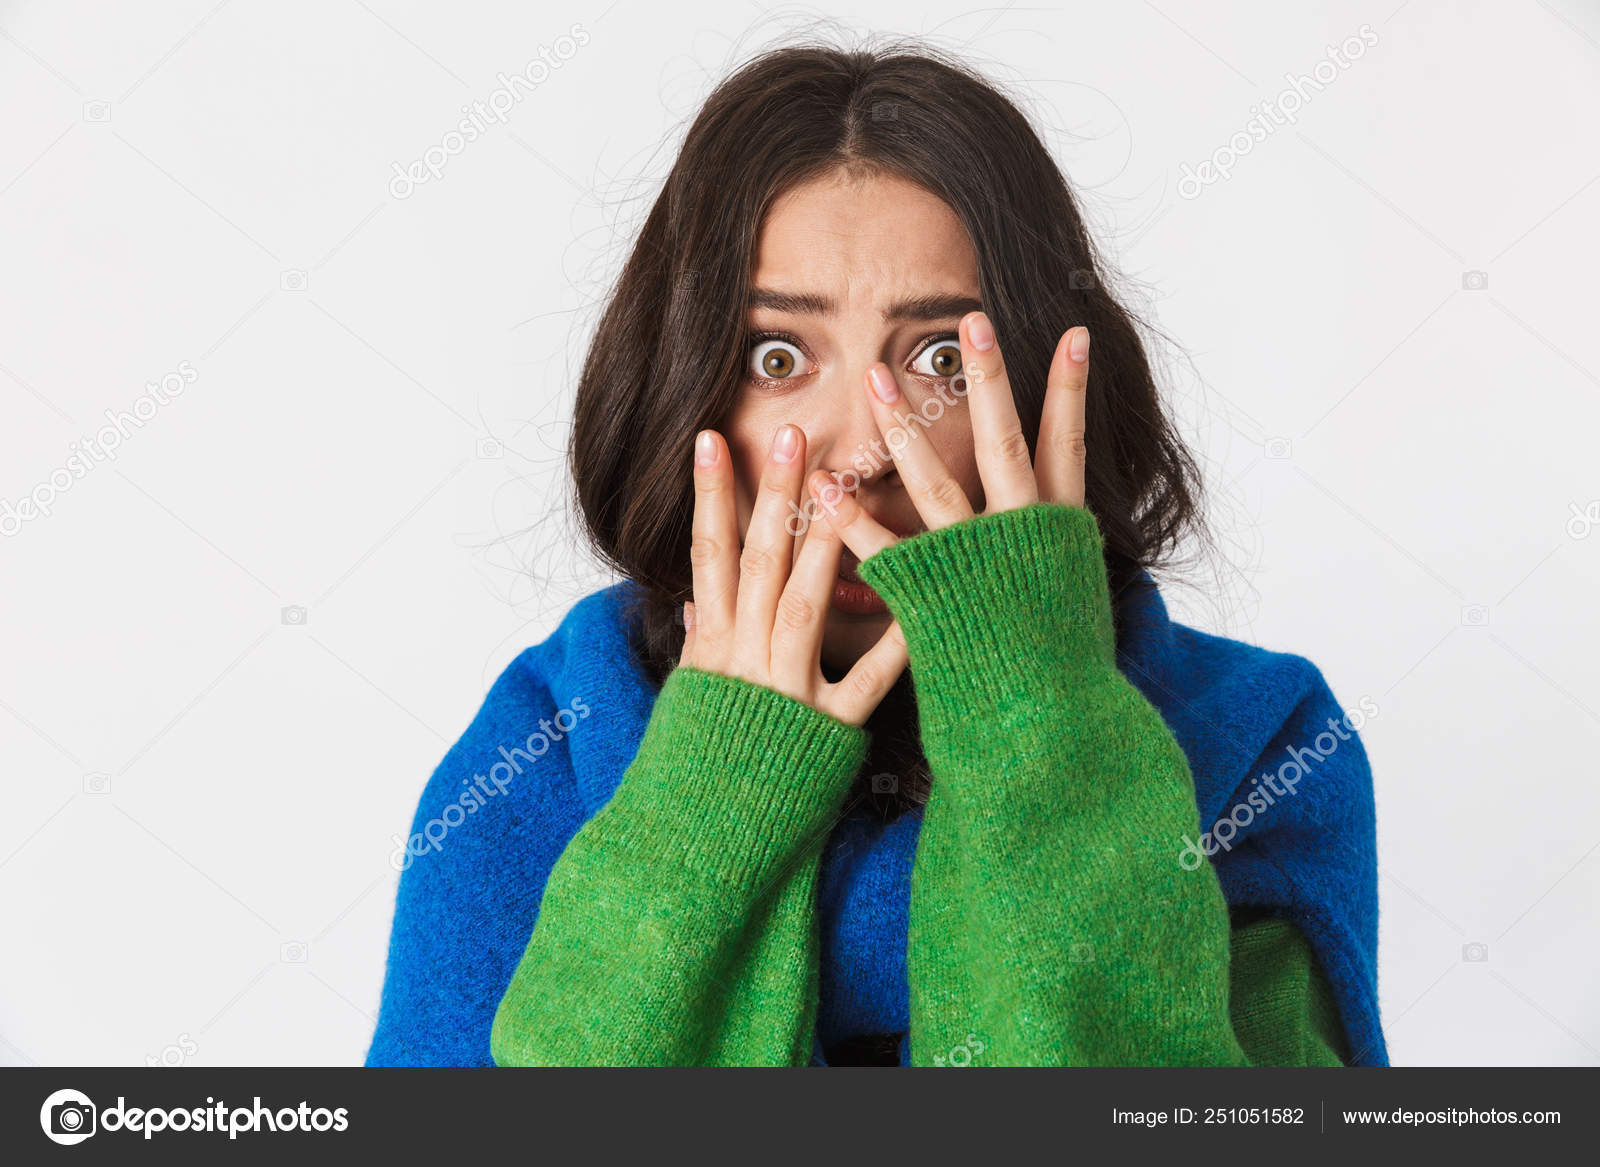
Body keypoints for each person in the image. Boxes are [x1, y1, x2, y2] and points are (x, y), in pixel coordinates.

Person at [366, 42, 1386, 1068]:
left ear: (1038, 394)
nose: (859, 454)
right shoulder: (541, 749)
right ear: (680, 386)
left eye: (942, 359)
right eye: (777, 357)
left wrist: (1030, 709)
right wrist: (713, 793)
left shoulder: (1262, 742)